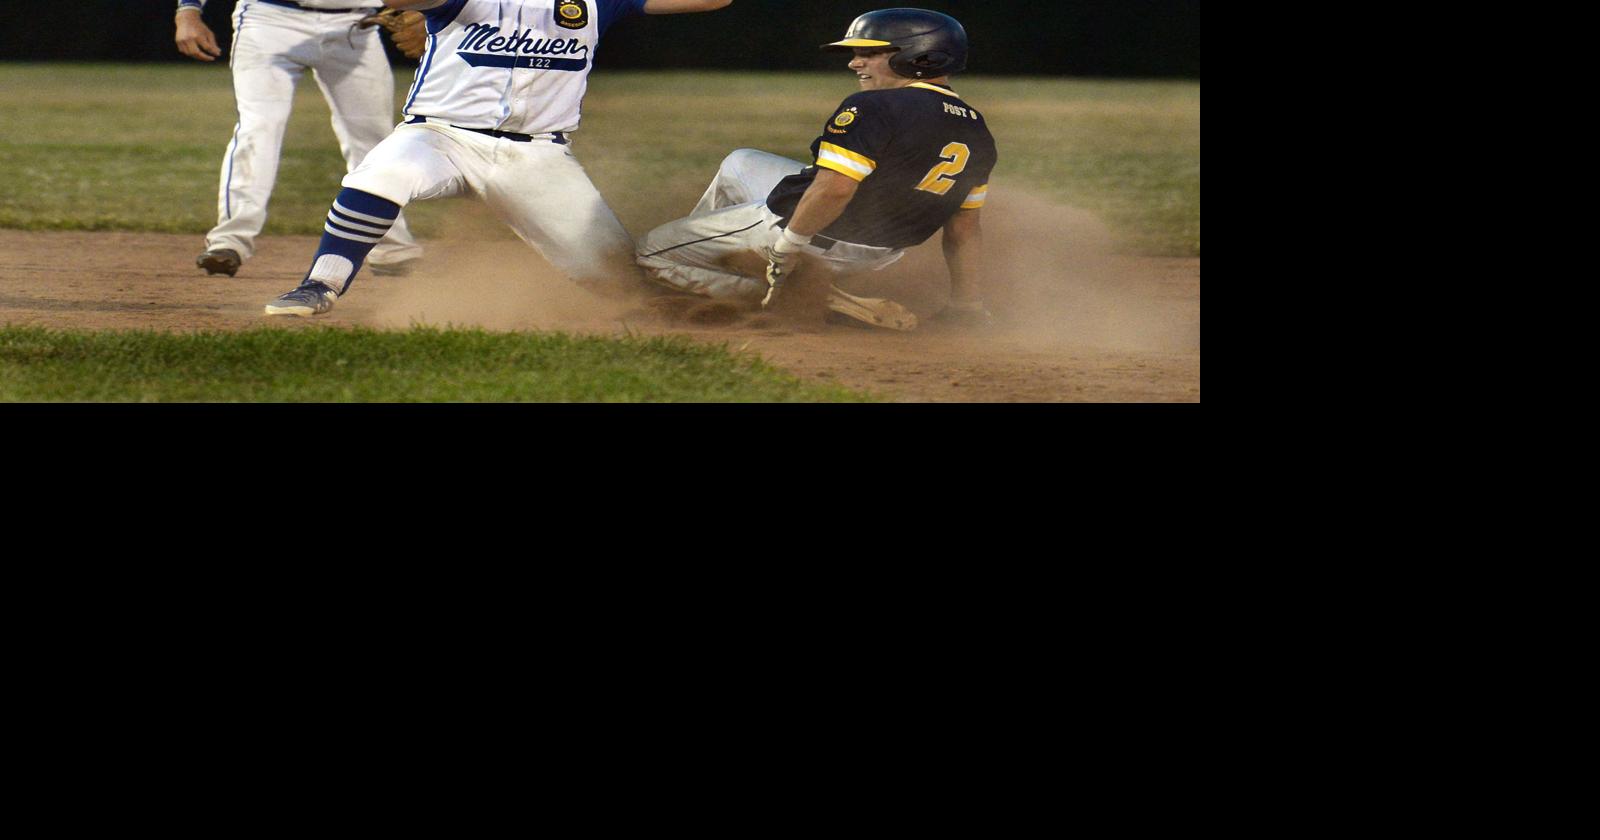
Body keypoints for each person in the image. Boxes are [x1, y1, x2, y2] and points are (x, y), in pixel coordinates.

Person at [261, 0, 734, 317]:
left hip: (537, 159)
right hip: (440, 135)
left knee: (620, 284)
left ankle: (729, 305)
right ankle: (320, 285)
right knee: (381, 173)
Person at [634, 8, 998, 331]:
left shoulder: (876, 106)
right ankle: (721, 257)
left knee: (651, 253)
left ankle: (798, 292)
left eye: (870, 53)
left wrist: (786, 247)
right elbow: (964, 229)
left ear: (921, 56)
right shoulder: (978, 130)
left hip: (810, 230)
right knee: (740, 162)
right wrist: (967, 305)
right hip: (878, 252)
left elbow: (834, 189)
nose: (855, 63)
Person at [176, 0, 424, 278]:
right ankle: (228, 241)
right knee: (259, 128)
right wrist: (188, 11)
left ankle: (392, 248)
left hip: (356, 25)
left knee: (375, 140)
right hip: (270, 20)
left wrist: (430, 7)